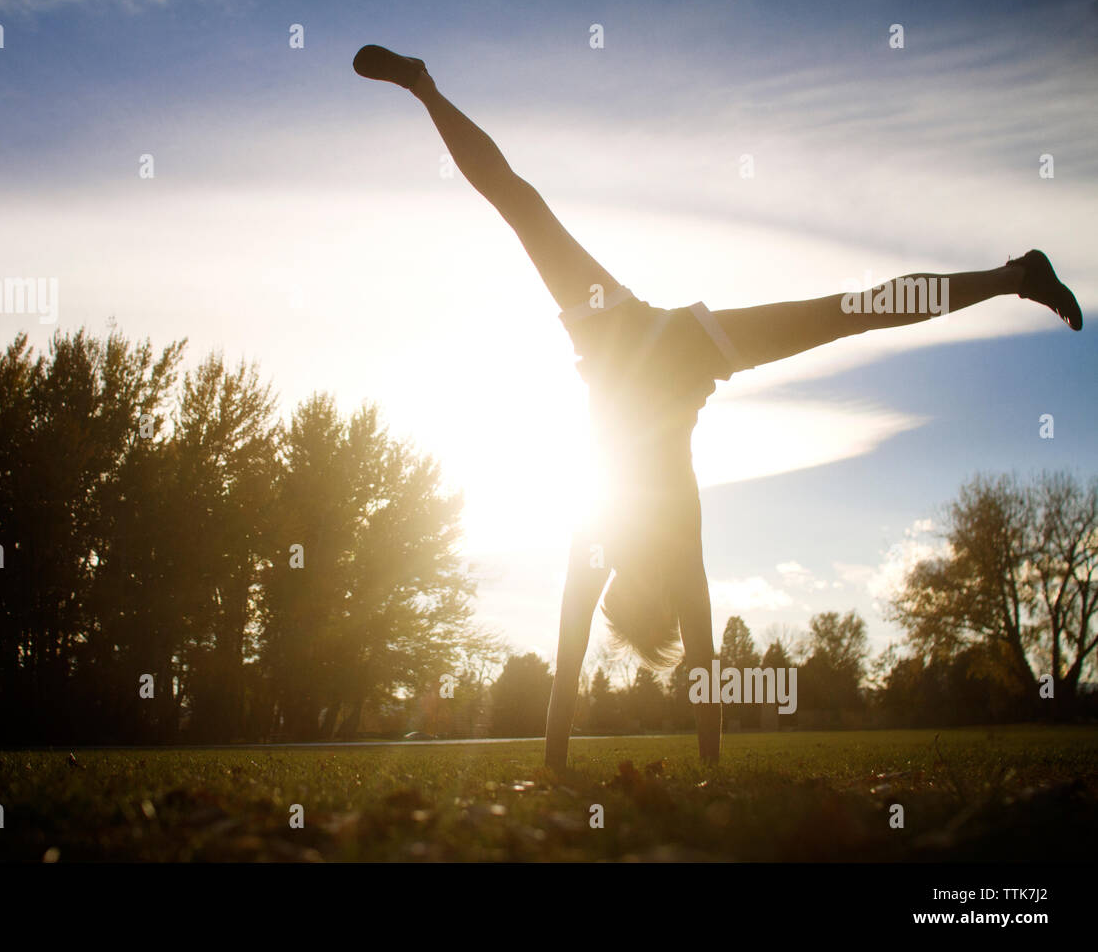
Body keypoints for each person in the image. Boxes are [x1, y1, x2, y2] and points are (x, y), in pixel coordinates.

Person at [352, 44, 1083, 768]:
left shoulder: (596, 540)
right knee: (855, 310)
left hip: (618, 337)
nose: (643, 588)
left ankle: (423, 85)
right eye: (652, 600)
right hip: (682, 352)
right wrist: (706, 772)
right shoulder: (672, 547)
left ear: (626, 597)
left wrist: (554, 769)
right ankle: (1015, 274)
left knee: (522, 206)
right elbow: (696, 670)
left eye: (638, 599)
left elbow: (569, 657)